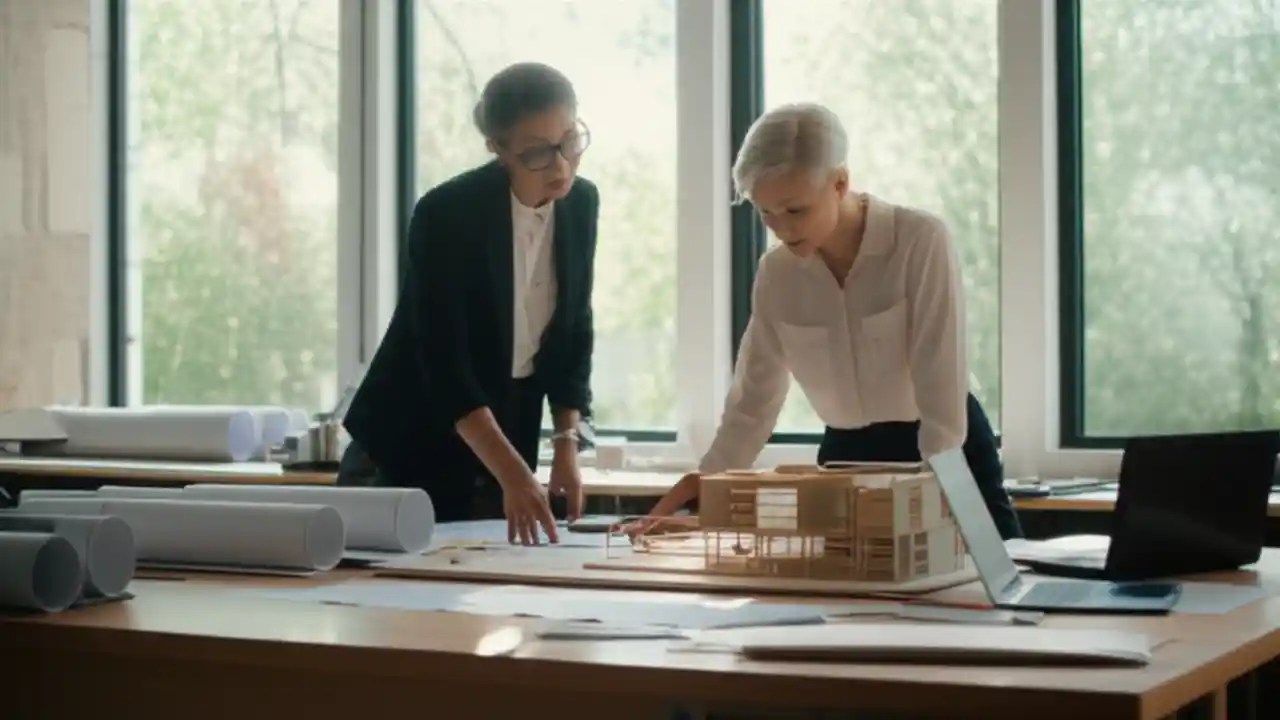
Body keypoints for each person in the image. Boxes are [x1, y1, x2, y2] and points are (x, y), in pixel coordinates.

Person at [637, 103, 1023, 539]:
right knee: (846, 599)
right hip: (845, 457)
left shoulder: (919, 240)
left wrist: (927, 495)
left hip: (944, 448)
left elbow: (940, 385)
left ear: (840, 182)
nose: (780, 227)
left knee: (995, 588)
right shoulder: (777, 274)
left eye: (795, 210)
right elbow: (753, 401)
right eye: (765, 213)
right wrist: (705, 488)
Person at [340, 62, 598, 545]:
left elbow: (573, 334)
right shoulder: (447, 214)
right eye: (538, 153)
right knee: (402, 605)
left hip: (503, 436)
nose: (561, 165)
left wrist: (566, 446)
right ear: (498, 149)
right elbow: (444, 363)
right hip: (409, 441)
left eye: (569, 140)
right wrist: (515, 474)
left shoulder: (581, 204)